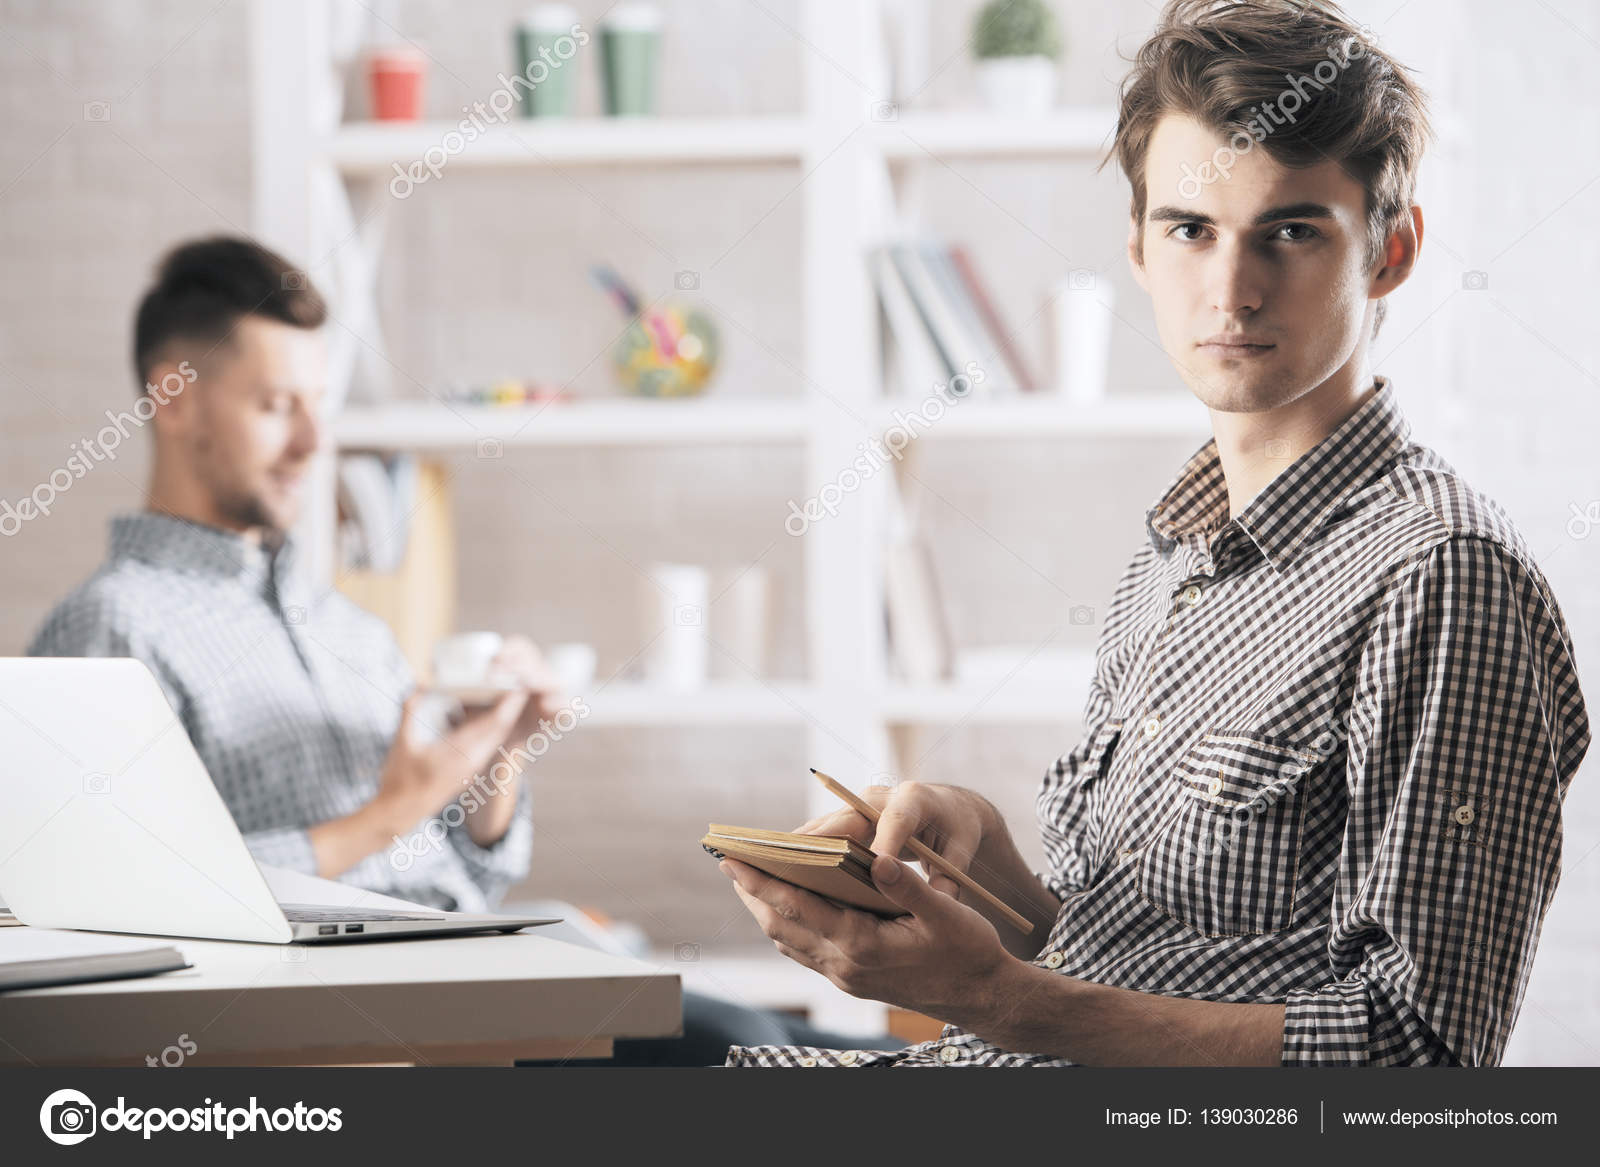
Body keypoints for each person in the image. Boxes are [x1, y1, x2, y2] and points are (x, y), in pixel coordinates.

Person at [719, 0, 1590, 1067]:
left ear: (1390, 252)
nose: (1230, 288)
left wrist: (994, 996)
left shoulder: (1444, 580)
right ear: (1136, 248)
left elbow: (1417, 1061)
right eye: (1191, 230)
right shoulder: (1173, 553)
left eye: (1292, 230)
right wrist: (988, 871)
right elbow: (1151, 969)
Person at [29, 235, 899, 1065]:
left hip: (464, 983)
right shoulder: (108, 632)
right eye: (274, 406)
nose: (310, 442)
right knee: (759, 1055)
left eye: (316, 406)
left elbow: (460, 874)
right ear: (174, 398)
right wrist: (390, 811)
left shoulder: (345, 628)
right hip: (346, 1039)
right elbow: (121, 914)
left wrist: (498, 757)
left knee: (810, 1050)